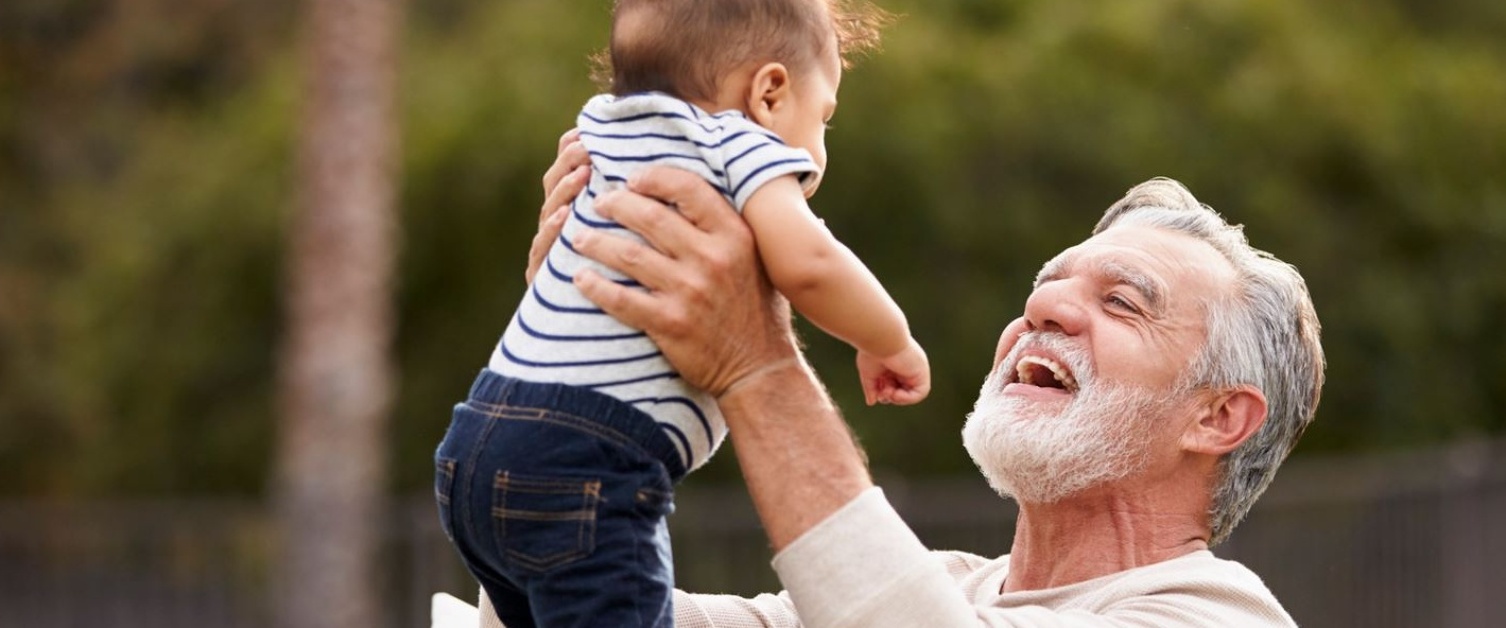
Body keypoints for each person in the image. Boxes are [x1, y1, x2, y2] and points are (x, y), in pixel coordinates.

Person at [435, 157, 1325, 626]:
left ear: (1218, 417)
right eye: (1046, 286)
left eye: (1122, 302)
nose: (1043, 308)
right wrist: (576, 346)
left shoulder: (1219, 619)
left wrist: (756, 362)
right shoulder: (937, 589)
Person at [433, 1, 923, 626]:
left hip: (475, 444)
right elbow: (812, 266)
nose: (820, 148)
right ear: (770, 93)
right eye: (824, 117)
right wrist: (890, 339)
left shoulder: (606, 131)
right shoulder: (737, 143)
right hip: (586, 464)